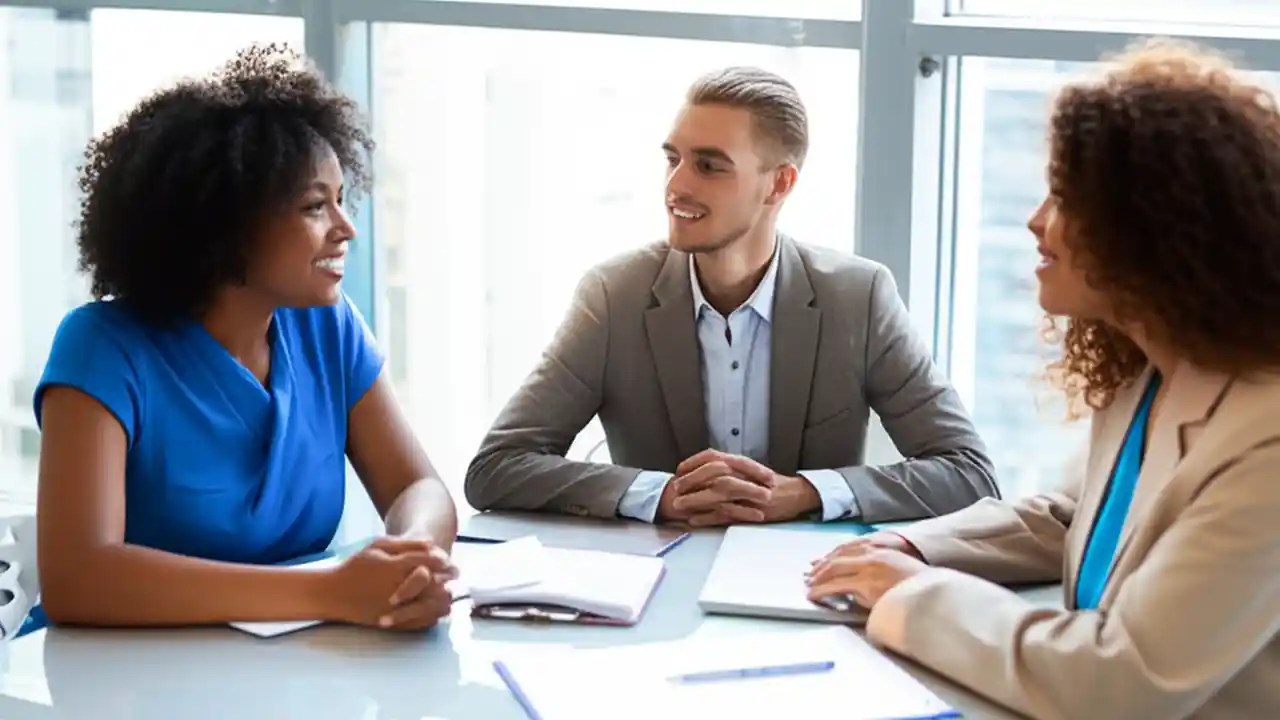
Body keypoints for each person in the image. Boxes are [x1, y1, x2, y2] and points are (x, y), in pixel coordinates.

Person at [807, 39, 1280, 719]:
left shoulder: (1266, 442)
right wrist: (910, 546)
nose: (1036, 221)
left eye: (1063, 198)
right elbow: (1072, 516)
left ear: (1151, 228)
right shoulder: (1156, 371)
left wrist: (909, 593)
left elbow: (1121, 682)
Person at [34, 44, 458, 631]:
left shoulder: (327, 326)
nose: (346, 228)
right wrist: (328, 593)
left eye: (341, 200)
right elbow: (79, 577)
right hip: (117, 672)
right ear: (225, 226)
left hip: (286, 664)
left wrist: (411, 557)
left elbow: (419, 485)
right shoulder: (101, 347)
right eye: (315, 206)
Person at [465, 67, 998, 527]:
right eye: (672, 159)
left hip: (804, 583)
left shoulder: (858, 298)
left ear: (779, 184)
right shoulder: (613, 297)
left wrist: (806, 493)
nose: (676, 186)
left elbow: (970, 473)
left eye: (709, 166)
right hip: (653, 583)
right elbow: (496, 467)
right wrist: (659, 495)